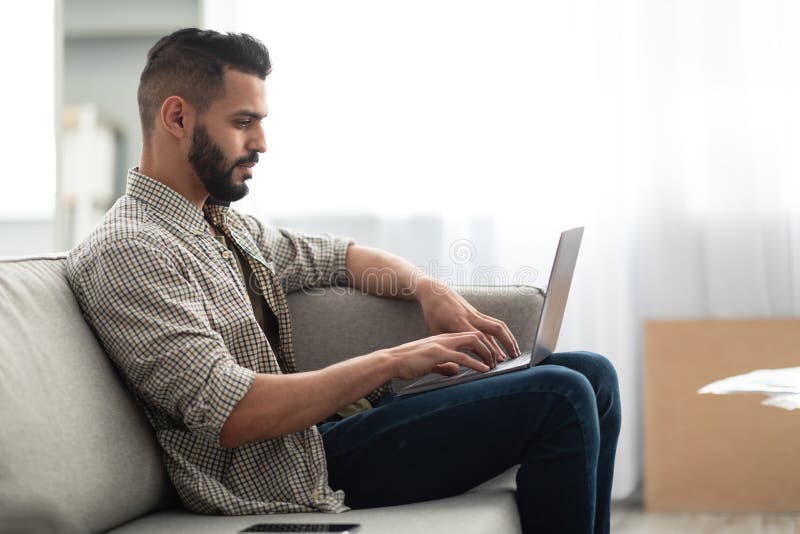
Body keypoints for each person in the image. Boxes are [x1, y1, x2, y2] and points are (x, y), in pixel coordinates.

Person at [66, 28, 621, 534]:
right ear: (177, 118)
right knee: (560, 395)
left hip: (323, 436)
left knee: (592, 374)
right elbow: (234, 414)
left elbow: (341, 257)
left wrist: (432, 291)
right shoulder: (132, 249)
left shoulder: (217, 222)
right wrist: (393, 360)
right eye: (242, 122)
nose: (261, 141)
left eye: (260, 121)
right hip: (284, 473)